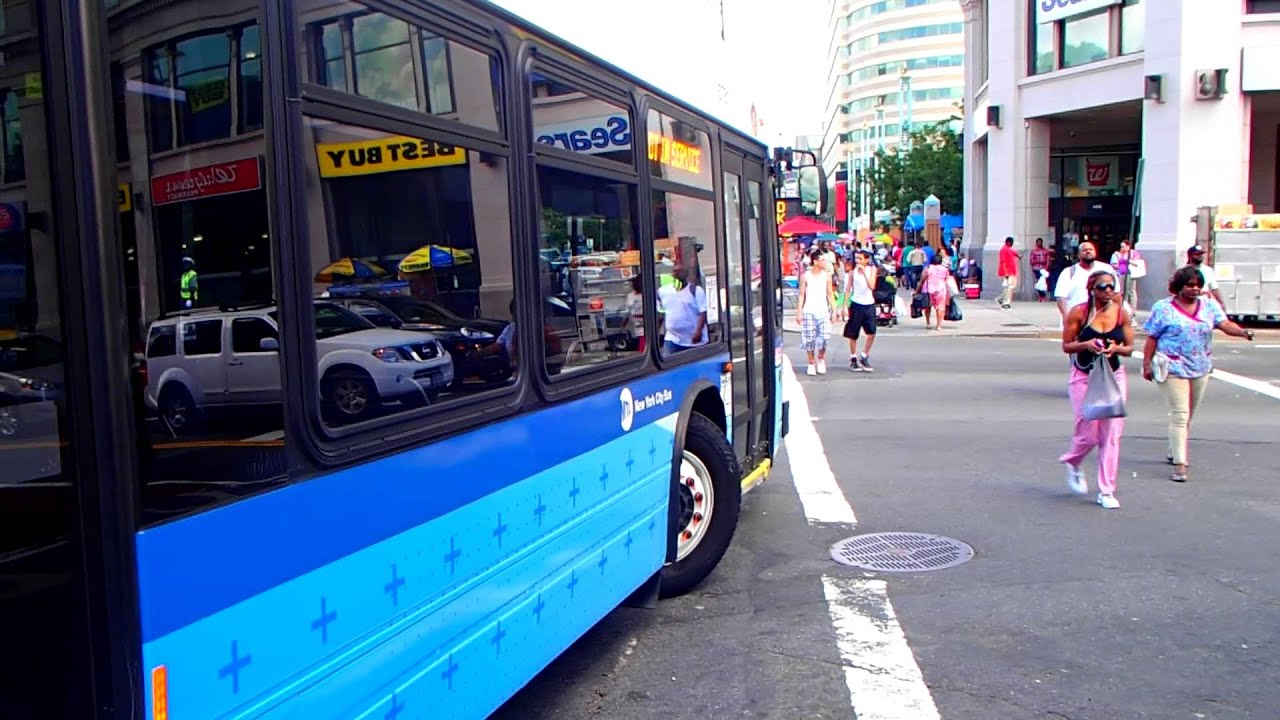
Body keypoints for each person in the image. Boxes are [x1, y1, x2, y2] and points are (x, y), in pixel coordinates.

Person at [1142, 266, 1254, 483]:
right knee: (1180, 414)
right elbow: (1152, 337)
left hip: (1200, 366)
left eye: (1198, 286)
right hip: (1173, 366)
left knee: (1189, 415)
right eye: (1189, 285)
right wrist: (1147, 364)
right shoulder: (1163, 308)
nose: (1194, 290)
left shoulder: (1209, 306)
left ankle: (1174, 448)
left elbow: (1223, 324)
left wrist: (1242, 332)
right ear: (1179, 286)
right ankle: (1180, 464)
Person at [1059, 270, 1133, 510]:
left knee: (1111, 434)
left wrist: (1116, 349)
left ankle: (1106, 489)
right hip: (1084, 375)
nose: (1108, 291)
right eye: (1103, 287)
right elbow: (1067, 346)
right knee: (1088, 430)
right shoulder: (1079, 312)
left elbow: (1129, 347)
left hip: (1112, 375)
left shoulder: (1121, 313)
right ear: (1092, 289)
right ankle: (1074, 461)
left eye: (1112, 286)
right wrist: (1087, 344)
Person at [1053, 241, 1115, 326]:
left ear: (1095, 253)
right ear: (1078, 255)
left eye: (1090, 249)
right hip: (1076, 320)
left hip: (1101, 319)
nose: (1088, 251)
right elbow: (1060, 297)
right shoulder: (1068, 272)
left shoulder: (1107, 269)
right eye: (1084, 250)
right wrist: (1066, 316)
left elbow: (1116, 294)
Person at [796, 248, 835, 375]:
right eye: (822, 260)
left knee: (824, 337)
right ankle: (811, 362)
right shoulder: (805, 276)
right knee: (809, 339)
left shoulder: (827, 276)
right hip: (809, 310)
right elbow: (802, 295)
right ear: (815, 261)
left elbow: (830, 294)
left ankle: (821, 358)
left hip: (823, 310)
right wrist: (799, 312)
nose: (824, 262)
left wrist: (834, 310)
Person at [843, 250, 878, 372]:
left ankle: (864, 355)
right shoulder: (852, 273)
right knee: (853, 333)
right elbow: (848, 289)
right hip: (856, 303)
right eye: (857, 258)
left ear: (866, 260)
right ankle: (853, 358)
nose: (858, 261)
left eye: (860, 258)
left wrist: (864, 274)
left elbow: (872, 286)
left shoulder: (872, 270)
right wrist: (844, 306)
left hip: (869, 303)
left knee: (871, 332)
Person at [659, 266, 708, 354]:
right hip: (672, 339)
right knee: (668, 364)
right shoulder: (664, 291)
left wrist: (698, 332)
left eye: (680, 271)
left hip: (692, 340)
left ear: (686, 274)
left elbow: (703, 312)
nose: (677, 274)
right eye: (675, 271)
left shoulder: (696, 290)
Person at [916, 253, 951, 331]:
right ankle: (939, 325)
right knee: (940, 307)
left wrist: (917, 290)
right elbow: (947, 280)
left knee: (927, 307)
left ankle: (928, 322)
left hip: (928, 289)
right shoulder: (944, 269)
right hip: (940, 289)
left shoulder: (928, 268)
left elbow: (922, 280)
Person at [1109, 239, 1143, 311]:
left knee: (1131, 291)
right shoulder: (1119, 254)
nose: (1122, 248)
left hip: (1131, 274)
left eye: (1123, 246)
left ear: (1128, 246)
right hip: (1122, 273)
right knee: (1121, 290)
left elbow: (1136, 263)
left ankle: (1132, 308)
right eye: (1121, 246)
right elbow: (1115, 264)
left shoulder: (1133, 253)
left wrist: (1128, 260)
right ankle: (1123, 306)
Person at [997, 237, 1021, 309]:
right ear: (1009, 242)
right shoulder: (1003, 250)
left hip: (1011, 272)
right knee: (1008, 287)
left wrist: (1018, 256)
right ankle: (1006, 302)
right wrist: (1006, 272)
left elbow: (1014, 252)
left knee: (1009, 287)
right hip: (1007, 272)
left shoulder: (1009, 249)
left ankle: (1001, 298)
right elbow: (1003, 262)